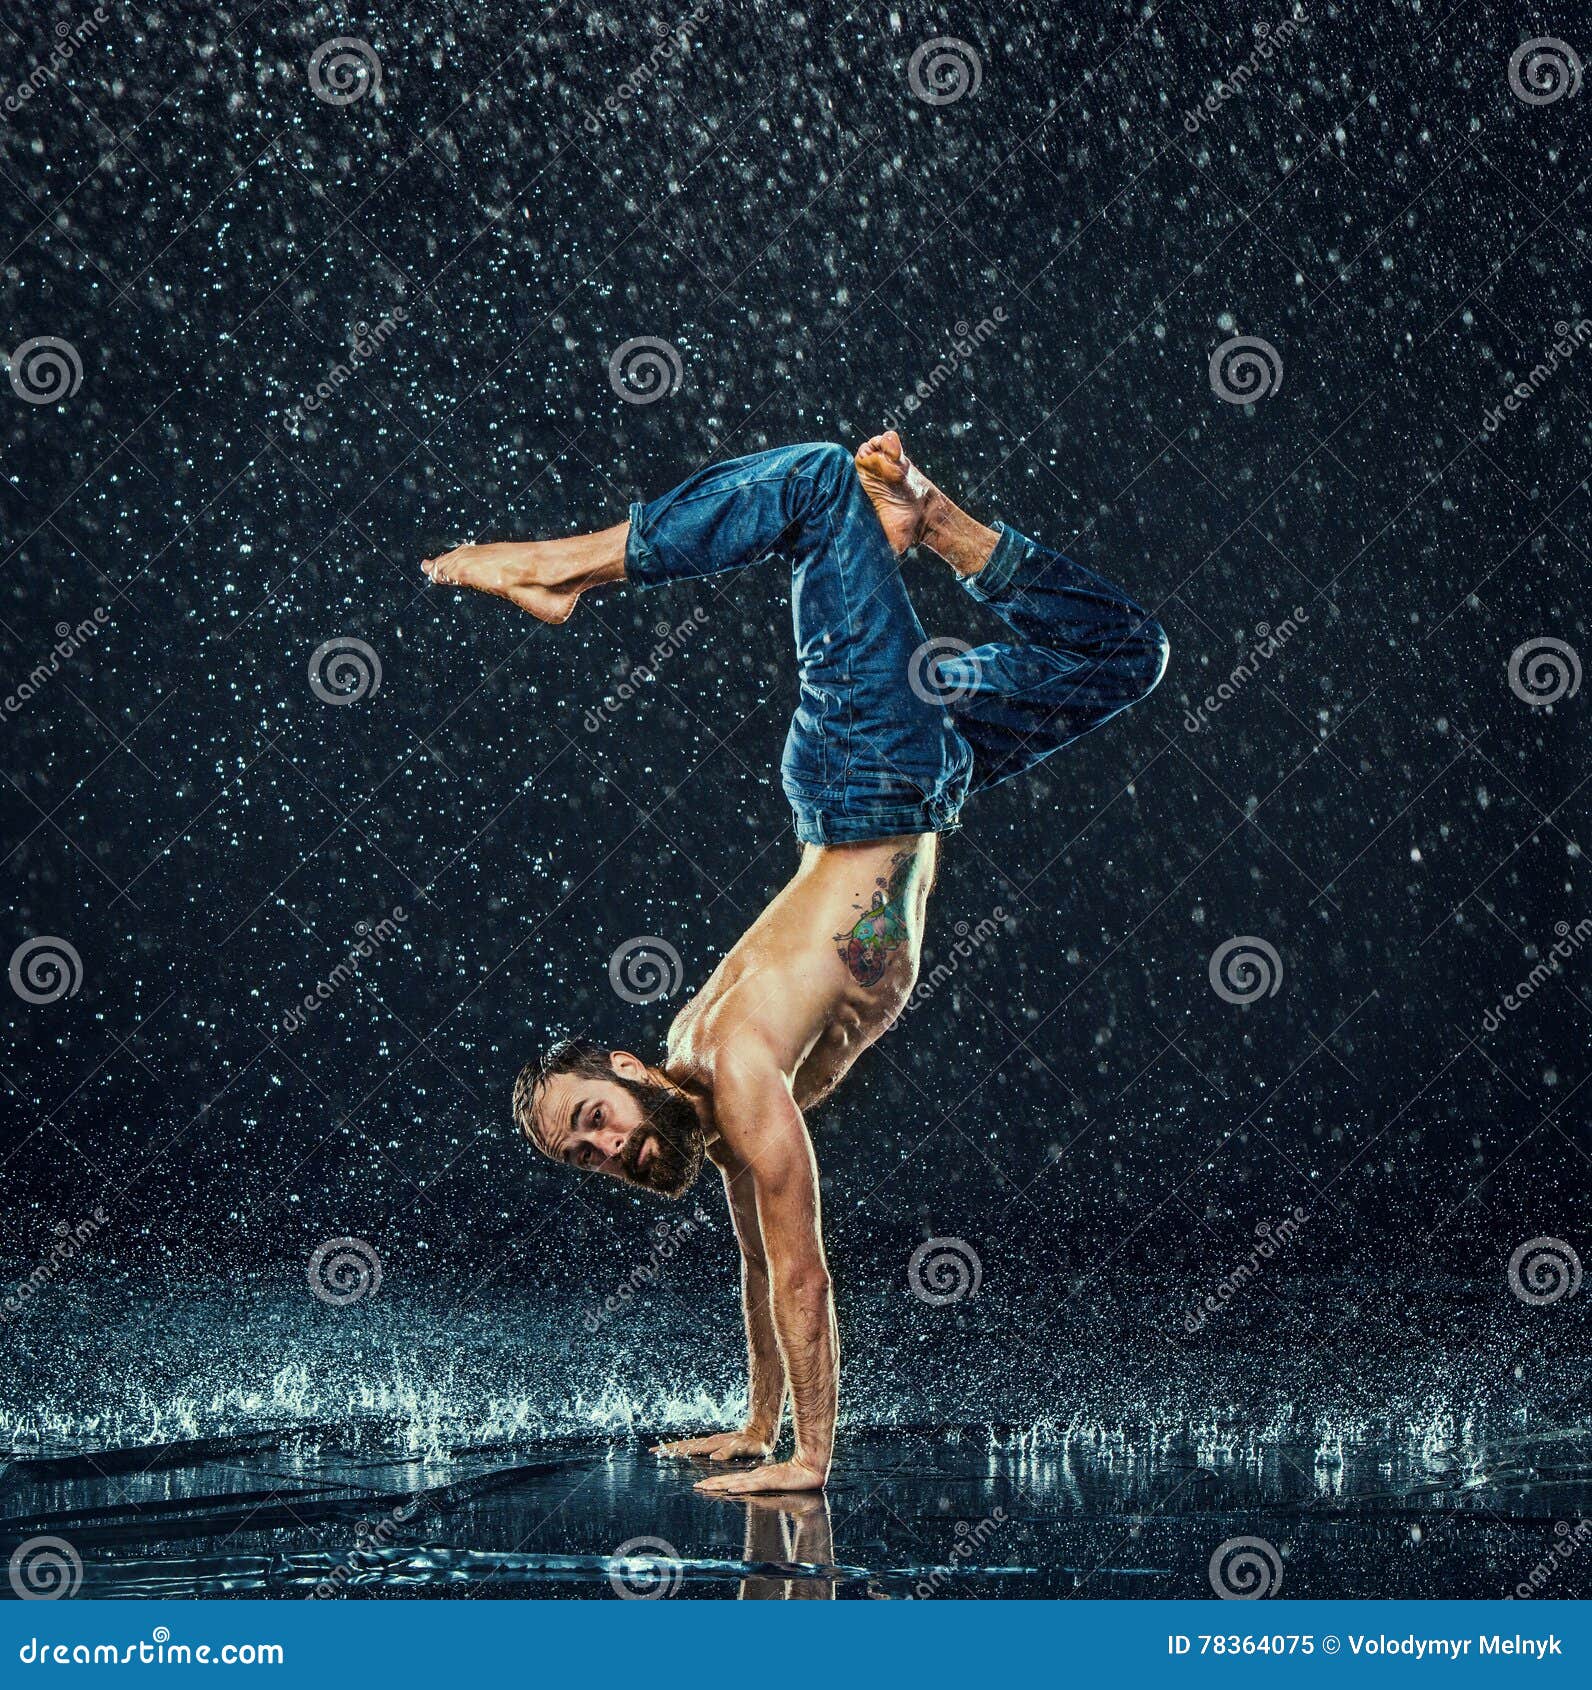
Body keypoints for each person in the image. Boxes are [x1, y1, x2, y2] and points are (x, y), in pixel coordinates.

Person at [423, 432, 1168, 1495]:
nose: (609, 1152)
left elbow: (804, 1272)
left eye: (593, 1121)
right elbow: (757, 1268)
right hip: (930, 761)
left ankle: (560, 568)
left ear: (628, 1070)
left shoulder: (729, 1063)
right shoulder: (709, 1115)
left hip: (868, 772)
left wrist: (807, 1458)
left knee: (819, 481)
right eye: (586, 1157)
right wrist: (755, 1421)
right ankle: (944, 527)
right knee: (1127, 654)